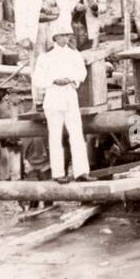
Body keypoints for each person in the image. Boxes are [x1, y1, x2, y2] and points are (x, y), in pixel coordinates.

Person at [32, 29, 92, 182]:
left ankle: (81, 172)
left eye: (67, 35)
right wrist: (53, 80)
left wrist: (72, 79)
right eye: (62, 35)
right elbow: (38, 79)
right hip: (53, 96)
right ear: (55, 37)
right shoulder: (46, 57)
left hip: (70, 94)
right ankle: (58, 173)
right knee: (55, 135)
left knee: (76, 133)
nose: (65, 38)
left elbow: (82, 73)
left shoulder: (74, 54)